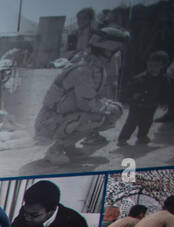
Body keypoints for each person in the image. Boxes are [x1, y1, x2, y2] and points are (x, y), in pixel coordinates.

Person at [34, 27, 130, 164]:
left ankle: (69, 146)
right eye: (114, 51)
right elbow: (86, 103)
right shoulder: (83, 70)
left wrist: (112, 107)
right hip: (48, 122)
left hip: (61, 116)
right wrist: (109, 108)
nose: (115, 55)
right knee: (97, 117)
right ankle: (55, 150)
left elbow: (92, 98)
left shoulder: (95, 67)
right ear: (107, 50)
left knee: (111, 111)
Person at [118, 50, 172, 146]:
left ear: (162, 66)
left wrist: (165, 101)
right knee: (131, 122)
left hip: (151, 105)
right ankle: (123, 138)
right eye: (150, 65)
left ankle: (142, 136)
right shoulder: (139, 78)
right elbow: (128, 90)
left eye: (156, 66)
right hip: (137, 104)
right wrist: (131, 97)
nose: (152, 68)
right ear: (147, 64)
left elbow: (165, 92)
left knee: (147, 122)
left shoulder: (163, 79)